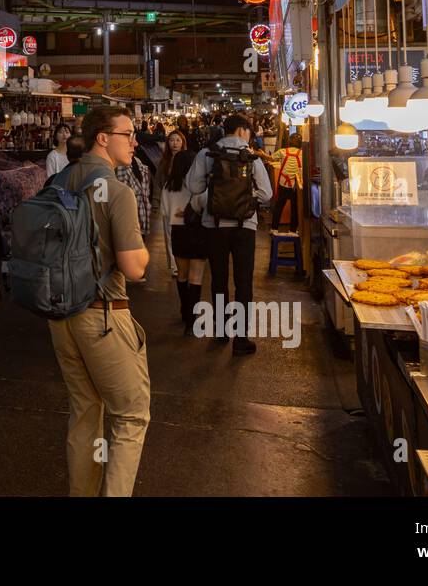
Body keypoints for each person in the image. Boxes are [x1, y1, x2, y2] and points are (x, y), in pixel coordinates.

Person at [48, 105, 149, 497]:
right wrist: (144, 257)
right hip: (102, 316)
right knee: (131, 415)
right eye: (128, 133)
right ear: (103, 138)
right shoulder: (116, 190)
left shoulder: (58, 180)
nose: (135, 141)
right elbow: (133, 266)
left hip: (60, 316)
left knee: (85, 412)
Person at [185, 115, 272, 356]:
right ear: (242, 130)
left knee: (219, 280)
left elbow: (193, 187)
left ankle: (222, 331)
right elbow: (266, 194)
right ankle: (241, 339)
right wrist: (246, 198)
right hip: (245, 226)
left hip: (214, 225)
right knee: (243, 282)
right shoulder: (252, 157)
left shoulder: (207, 154)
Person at [160, 132, 207, 333]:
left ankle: (184, 310)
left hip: (178, 232)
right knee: (196, 276)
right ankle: (192, 320)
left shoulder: (168, 187)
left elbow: (163, 212)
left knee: (182, 275)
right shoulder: (198, 188)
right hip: (197, 231)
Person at [272, 132, 303, 235]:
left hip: (283, 183)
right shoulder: (302, 153)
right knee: (295, 208)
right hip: (296, 186)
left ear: (289, 142)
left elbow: (271, 158)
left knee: (279, 206)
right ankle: (293, 230)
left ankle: (274, 229)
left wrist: (262, 154)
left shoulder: (283, 151)